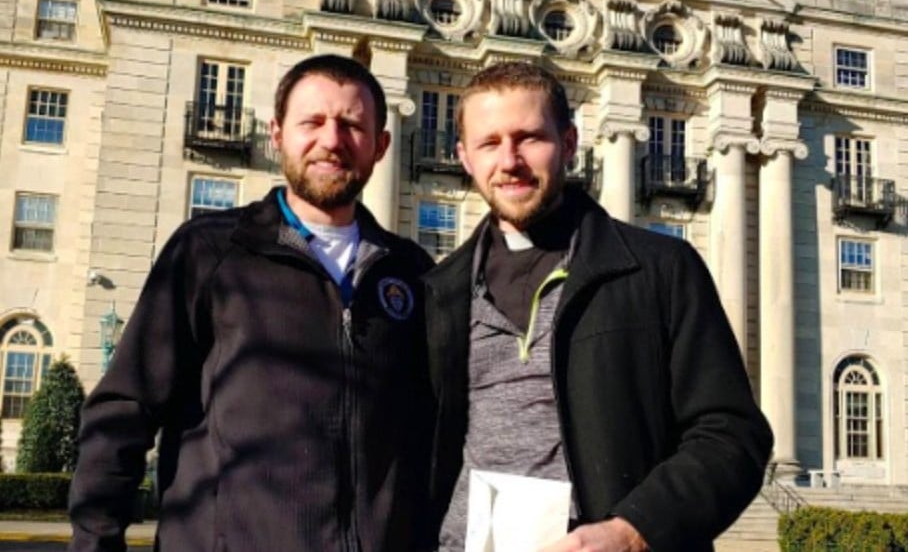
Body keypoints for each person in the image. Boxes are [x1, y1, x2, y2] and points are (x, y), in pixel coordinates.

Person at [68, 54, 435, 552]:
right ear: (278, 133)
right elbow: (124, 410)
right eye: (313, 121)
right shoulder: (209, 251)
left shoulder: (411, 272)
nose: (332, 140)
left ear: (380, 145)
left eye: (352, 125)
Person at [422, 61, 774, 552]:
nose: (510, 160)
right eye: (489, 143)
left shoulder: (661, 269)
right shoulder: (438, 292)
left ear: (568, 143)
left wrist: (633, 532)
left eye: (529, 138)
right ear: (464, 156)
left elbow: (732, 436)